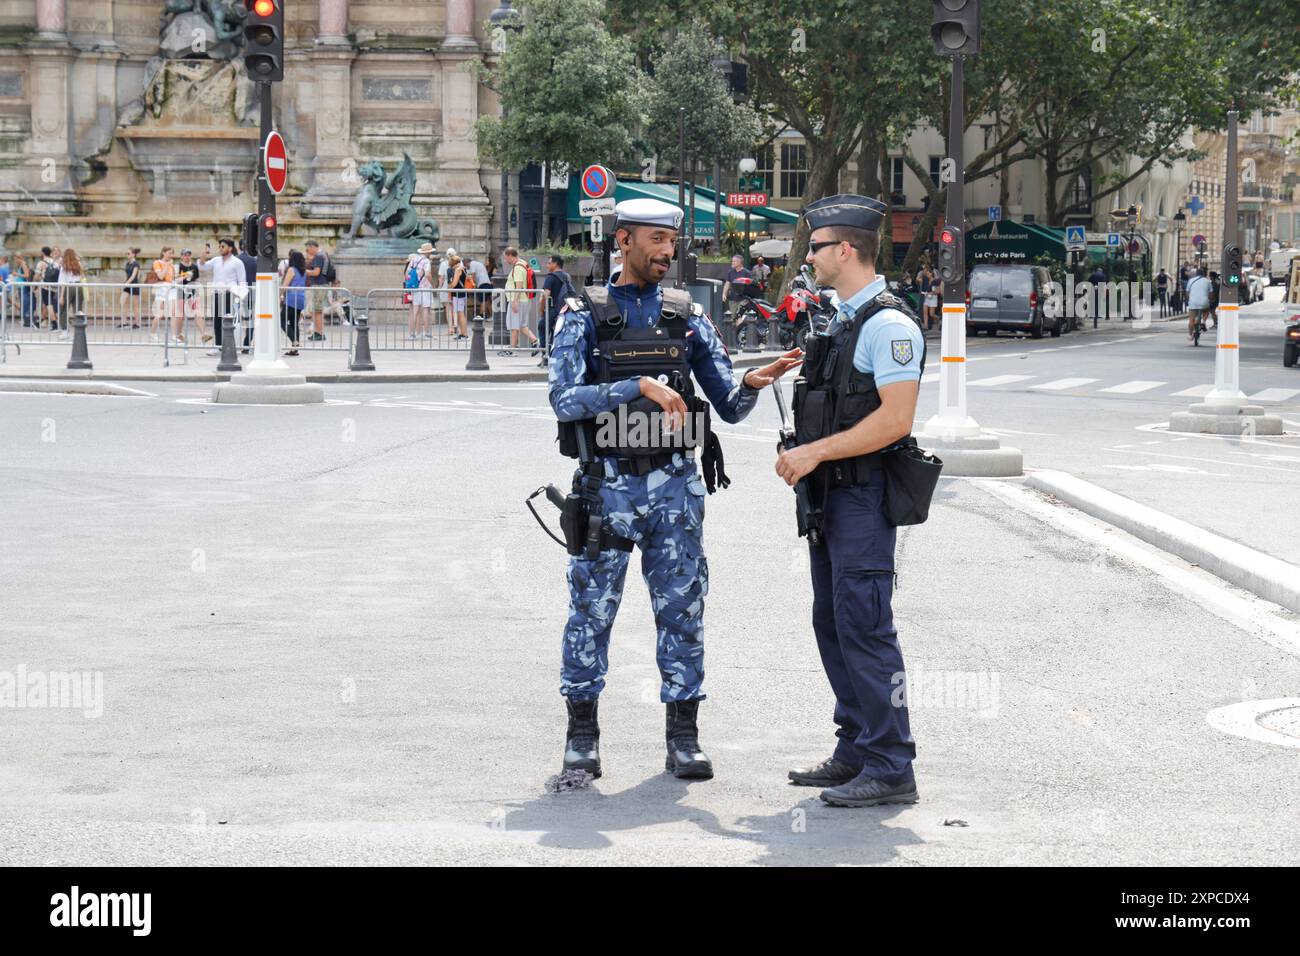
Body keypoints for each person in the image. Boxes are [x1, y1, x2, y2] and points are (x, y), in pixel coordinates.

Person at [548, 197, 801, 781]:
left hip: (676, 492)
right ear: (625, 242)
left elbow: (731, 405)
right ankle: (582, 737)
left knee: (683, 611)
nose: (667, 251)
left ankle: (683, 738)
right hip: (605, 488)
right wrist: (634, 386)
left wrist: (756, 382)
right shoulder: (583, 312)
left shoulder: (687, 315)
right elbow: (563, 399)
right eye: (656, 241)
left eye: (672, 241)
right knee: (590, 614)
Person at [775, 193, 924, 808]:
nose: (807, 257)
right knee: (833, 622)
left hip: (862, 497)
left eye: (814, 247)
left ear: (846, 250)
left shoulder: (889, 324)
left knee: (865, 625)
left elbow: (895, 421)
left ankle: (892, 765)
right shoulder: (840, 319)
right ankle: (856, 748)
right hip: (830, 501)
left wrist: (813, 453)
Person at [200, 238, 247, 357]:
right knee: (217, 320)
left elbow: (242, 280)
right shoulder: (215, 260)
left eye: (223, 246)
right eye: (220, 246)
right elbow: (202, 266)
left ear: (230, 248)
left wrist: (240, 296)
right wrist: (204, 254)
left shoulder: (237, 262)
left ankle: (229, 346)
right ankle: (218, 346)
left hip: (230, 294)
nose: (220, 248)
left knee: (229, 321)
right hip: (217, 293)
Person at [502, 246, 541, 357]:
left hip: (518, 300)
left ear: (510, 256)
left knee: (514, 326)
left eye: (506, 258)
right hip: (524, 299)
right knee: (521, 325)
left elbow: (518, 285)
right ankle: (535, 341)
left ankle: (512, 350)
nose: (506, 260)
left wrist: (515, 301)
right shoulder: (523, 263)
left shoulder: (518, 267)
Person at [538, 254, 574, 367]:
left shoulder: (551, 277)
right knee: (556, 333)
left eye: (549, 263)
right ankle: (555, 356)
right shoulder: (566, 276)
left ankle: (545, 356)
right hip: (565, 310)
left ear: (555, 264)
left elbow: (545, 295)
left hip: (552, 310)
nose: (547, 265)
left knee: (542, 327)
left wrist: (541, 309)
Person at [175, 249, 204, 345]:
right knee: (180, 315)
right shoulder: (178, 266)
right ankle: (178, 335)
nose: (187, 257)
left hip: (192, 292)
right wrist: (185, 276)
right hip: (181, 291)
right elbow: (175, 280)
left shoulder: (194, 266)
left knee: (197, 312)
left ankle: (204, 334)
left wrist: (198, 290)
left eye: (188, 255)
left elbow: (196, 279)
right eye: (185, 255)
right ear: (181, 256)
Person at [149, 247, 177, 343]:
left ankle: (174, 335)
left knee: (174, 313)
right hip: (162, 288)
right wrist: (166, 265)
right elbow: (161, 276)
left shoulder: (171, 265)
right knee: (159, 313)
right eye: (169, 253)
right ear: (164, 253)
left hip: (171, 289)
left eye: (172, 253)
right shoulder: (157, 262)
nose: (171, 255)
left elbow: (173, 278)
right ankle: (153, 333)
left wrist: (184, 276)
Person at [281, 249, 306, 356]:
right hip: (301, 298)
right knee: (294, 323)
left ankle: (294, 341)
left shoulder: (292, 270)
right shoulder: (303, 271)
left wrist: (279, 295)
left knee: (282, 321)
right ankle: (295, 349)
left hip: (291, 298)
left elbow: (285, 285)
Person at [304, 240, 329, 342]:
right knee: (317, 311)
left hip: (319, 285)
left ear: (312, 247)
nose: (308, 252)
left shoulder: (318, 256)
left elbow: (316, 272)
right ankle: (318, 332)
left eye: (308, 249)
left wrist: (304, 271)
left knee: (317, 311)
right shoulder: (324, 255)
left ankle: (319, 333)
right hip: (322, 285)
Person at [409, 242, 434, 341]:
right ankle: (426, 333)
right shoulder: (426, 261)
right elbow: (427, 274)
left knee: (415, 310)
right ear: (428, 252)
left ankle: (413, 333)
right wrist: (433, 283)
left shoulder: (414, 259)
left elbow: (408, 273)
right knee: (425, 310)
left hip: (415, 287)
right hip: (425, 287)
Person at [722, 254, 753, 327]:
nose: (732, 263)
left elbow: (751, 285)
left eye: (734, 261)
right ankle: (734, 334)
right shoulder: (730, 272)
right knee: (732, 317)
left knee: (739, 316)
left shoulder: (747, 273)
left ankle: (738, 332)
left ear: (739, 262)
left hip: (743, 299)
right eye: (732, 261)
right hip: (732, 299)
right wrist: (724, 293)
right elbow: (727, 283)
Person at [445, 253, 469, 340]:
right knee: (461, 314)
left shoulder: (458, 270)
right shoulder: (463, 269)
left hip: (459, 294)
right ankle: (463, 334)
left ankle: (464, 334)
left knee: (461, 314)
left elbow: (454, 283)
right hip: (461, 293)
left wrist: (449, 287)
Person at [1185, 267, 1212, 340]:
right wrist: (1210, 299)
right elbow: (1211, 294)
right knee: (1207, 310)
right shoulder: (1208, 281)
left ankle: (1190, 335)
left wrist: (1189, 300)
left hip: (1193, 302)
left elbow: (1187, 293)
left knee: (1191, 319)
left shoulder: (1190, 281)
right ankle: (1203, 321)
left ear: (1196, 274)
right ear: (1203, 274)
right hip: (1204, 302)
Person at [119, 248, 143, 330]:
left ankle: (137, 323)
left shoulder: (136, 264)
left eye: (128, 253)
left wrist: (126, 284)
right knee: (122, 302)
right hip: (128, 285)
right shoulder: (127, 263)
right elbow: (127, 275)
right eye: (127, 253)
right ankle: (124, 322)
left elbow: (133, 276)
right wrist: (124, 283)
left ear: (133, 254)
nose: (127, 255)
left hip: (134, 285)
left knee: (135, 305)